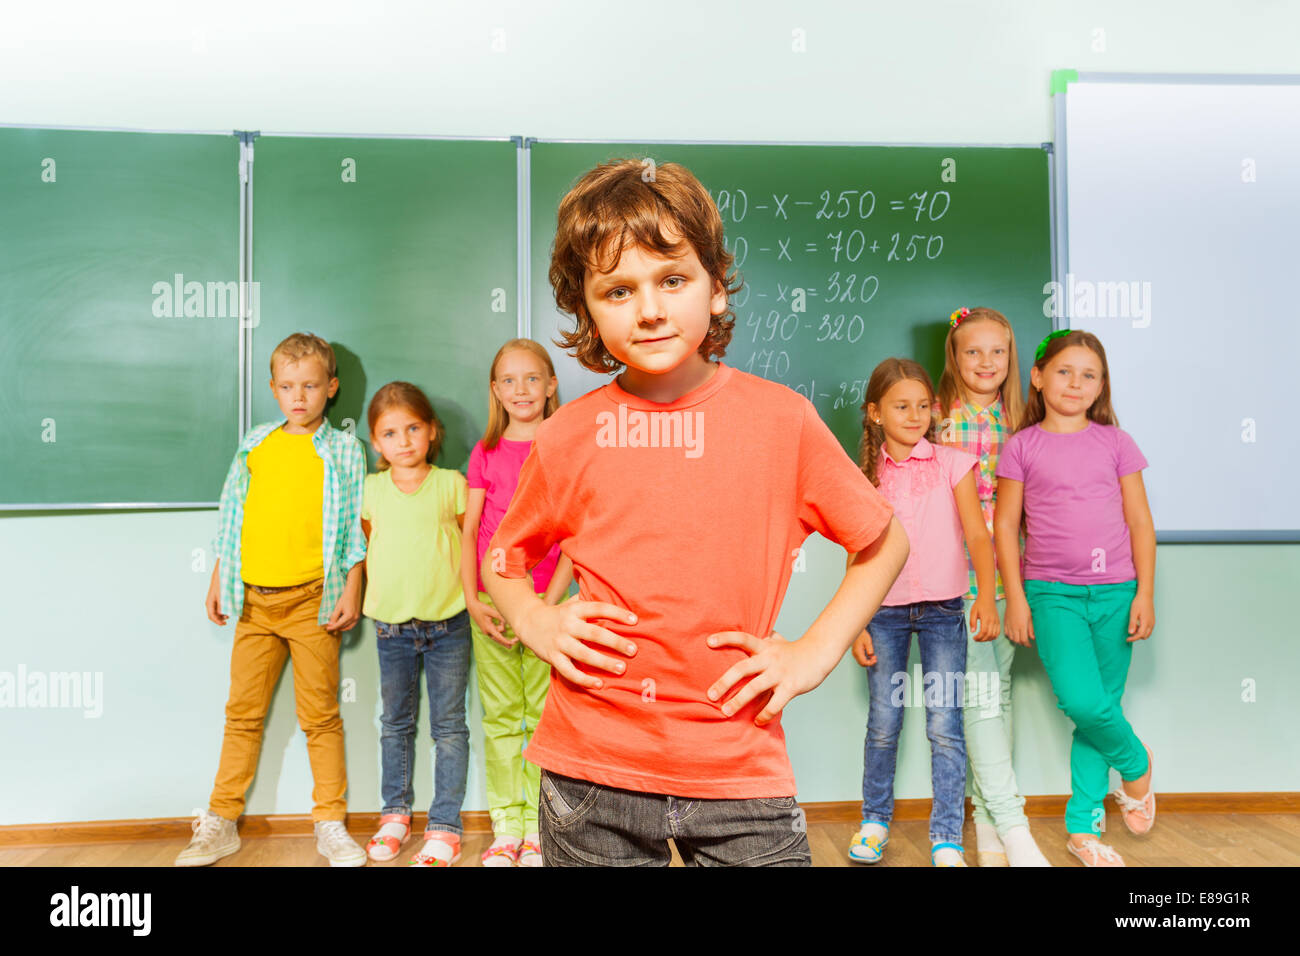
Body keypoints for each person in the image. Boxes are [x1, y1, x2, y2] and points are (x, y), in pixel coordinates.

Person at [482, 158, 908, 866]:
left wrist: (813, 653)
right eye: (618, 290)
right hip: (590, 776)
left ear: (714, 287)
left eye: (672, 280)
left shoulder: (782, 422)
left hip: (740, 770)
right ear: (587, 309)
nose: (649, 309)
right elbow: (504, 560)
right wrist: (533, 618)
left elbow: (884, 541)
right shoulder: (567, 436)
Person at [178, 332, 367, 867]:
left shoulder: (345, 451)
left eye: (310, 385)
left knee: (321, 718)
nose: (299, 396)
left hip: (314, 602)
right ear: (273, 389)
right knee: (242, 713)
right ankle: (220, 821)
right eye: (287, 386)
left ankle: (330, 823)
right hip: (255, 604)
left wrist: (352, 585)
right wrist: (219, 576)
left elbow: (354, 528)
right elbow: (232, 514)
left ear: (331, 388)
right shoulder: (255, 444)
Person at [995, 329, 1156, 867]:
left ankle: (1083, 829)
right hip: (1053, 593)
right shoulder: (1022, 447)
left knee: (1100, 708)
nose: (1076, 383)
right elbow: (1005, 528)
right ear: (1038, 377)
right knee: (1083, 702)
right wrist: (1016, 599)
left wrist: (1145, 595)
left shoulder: (1116, 443)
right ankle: (1136, 765)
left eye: (1089, 374)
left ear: (1101, 385)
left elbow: (1140, 523)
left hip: (1117, 592)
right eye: (1064, 371)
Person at [848, 357, 995, 867]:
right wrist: (855, 624)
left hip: (943, 613)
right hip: (883, 614)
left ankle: (947, 837)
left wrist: (985, 595)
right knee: (885, 722)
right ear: (875, 413)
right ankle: (874, 821)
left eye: (923, 405)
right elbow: (860, 550)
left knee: (944, 723)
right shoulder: (864, 475)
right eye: (900, 406)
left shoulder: (953, 465)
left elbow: (978, 534)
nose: (915, 415)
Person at [932, 306, 1049, 867]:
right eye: (972, 351)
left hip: (1011, 575)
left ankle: (988, 829)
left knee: (995, 695)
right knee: (979, 699)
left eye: (997, 352)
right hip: (957, 578)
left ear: (1011, 356)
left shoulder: (1025, 420)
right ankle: (1014, 824)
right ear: (954, 356)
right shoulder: (933, 420)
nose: (986, 362)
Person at [462, 339, 573, 867]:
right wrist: (473, 599)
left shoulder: (563, 447)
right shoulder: (485, 453)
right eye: (509, 380)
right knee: (503, 717)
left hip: (548, 603)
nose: (521, 389)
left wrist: (547, 604)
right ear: (495, 391)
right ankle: (507, 827)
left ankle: (539, 827)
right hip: (491, 605)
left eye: (533, 378)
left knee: (547, 717)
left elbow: (578, 533)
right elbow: (469, 537)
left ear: (551, 386)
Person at [361, 382, 472, 867]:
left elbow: (469, 546)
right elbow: (370, 544)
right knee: (395, 724)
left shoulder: (453, 483)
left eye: (412, 428)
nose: (403, 440)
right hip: (392, 627)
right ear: (376, 443)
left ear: (431, 430)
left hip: (449, 622)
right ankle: (395, 815)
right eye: (390, 433)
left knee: (449, 727)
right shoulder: (371, 490)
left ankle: (445, 825)